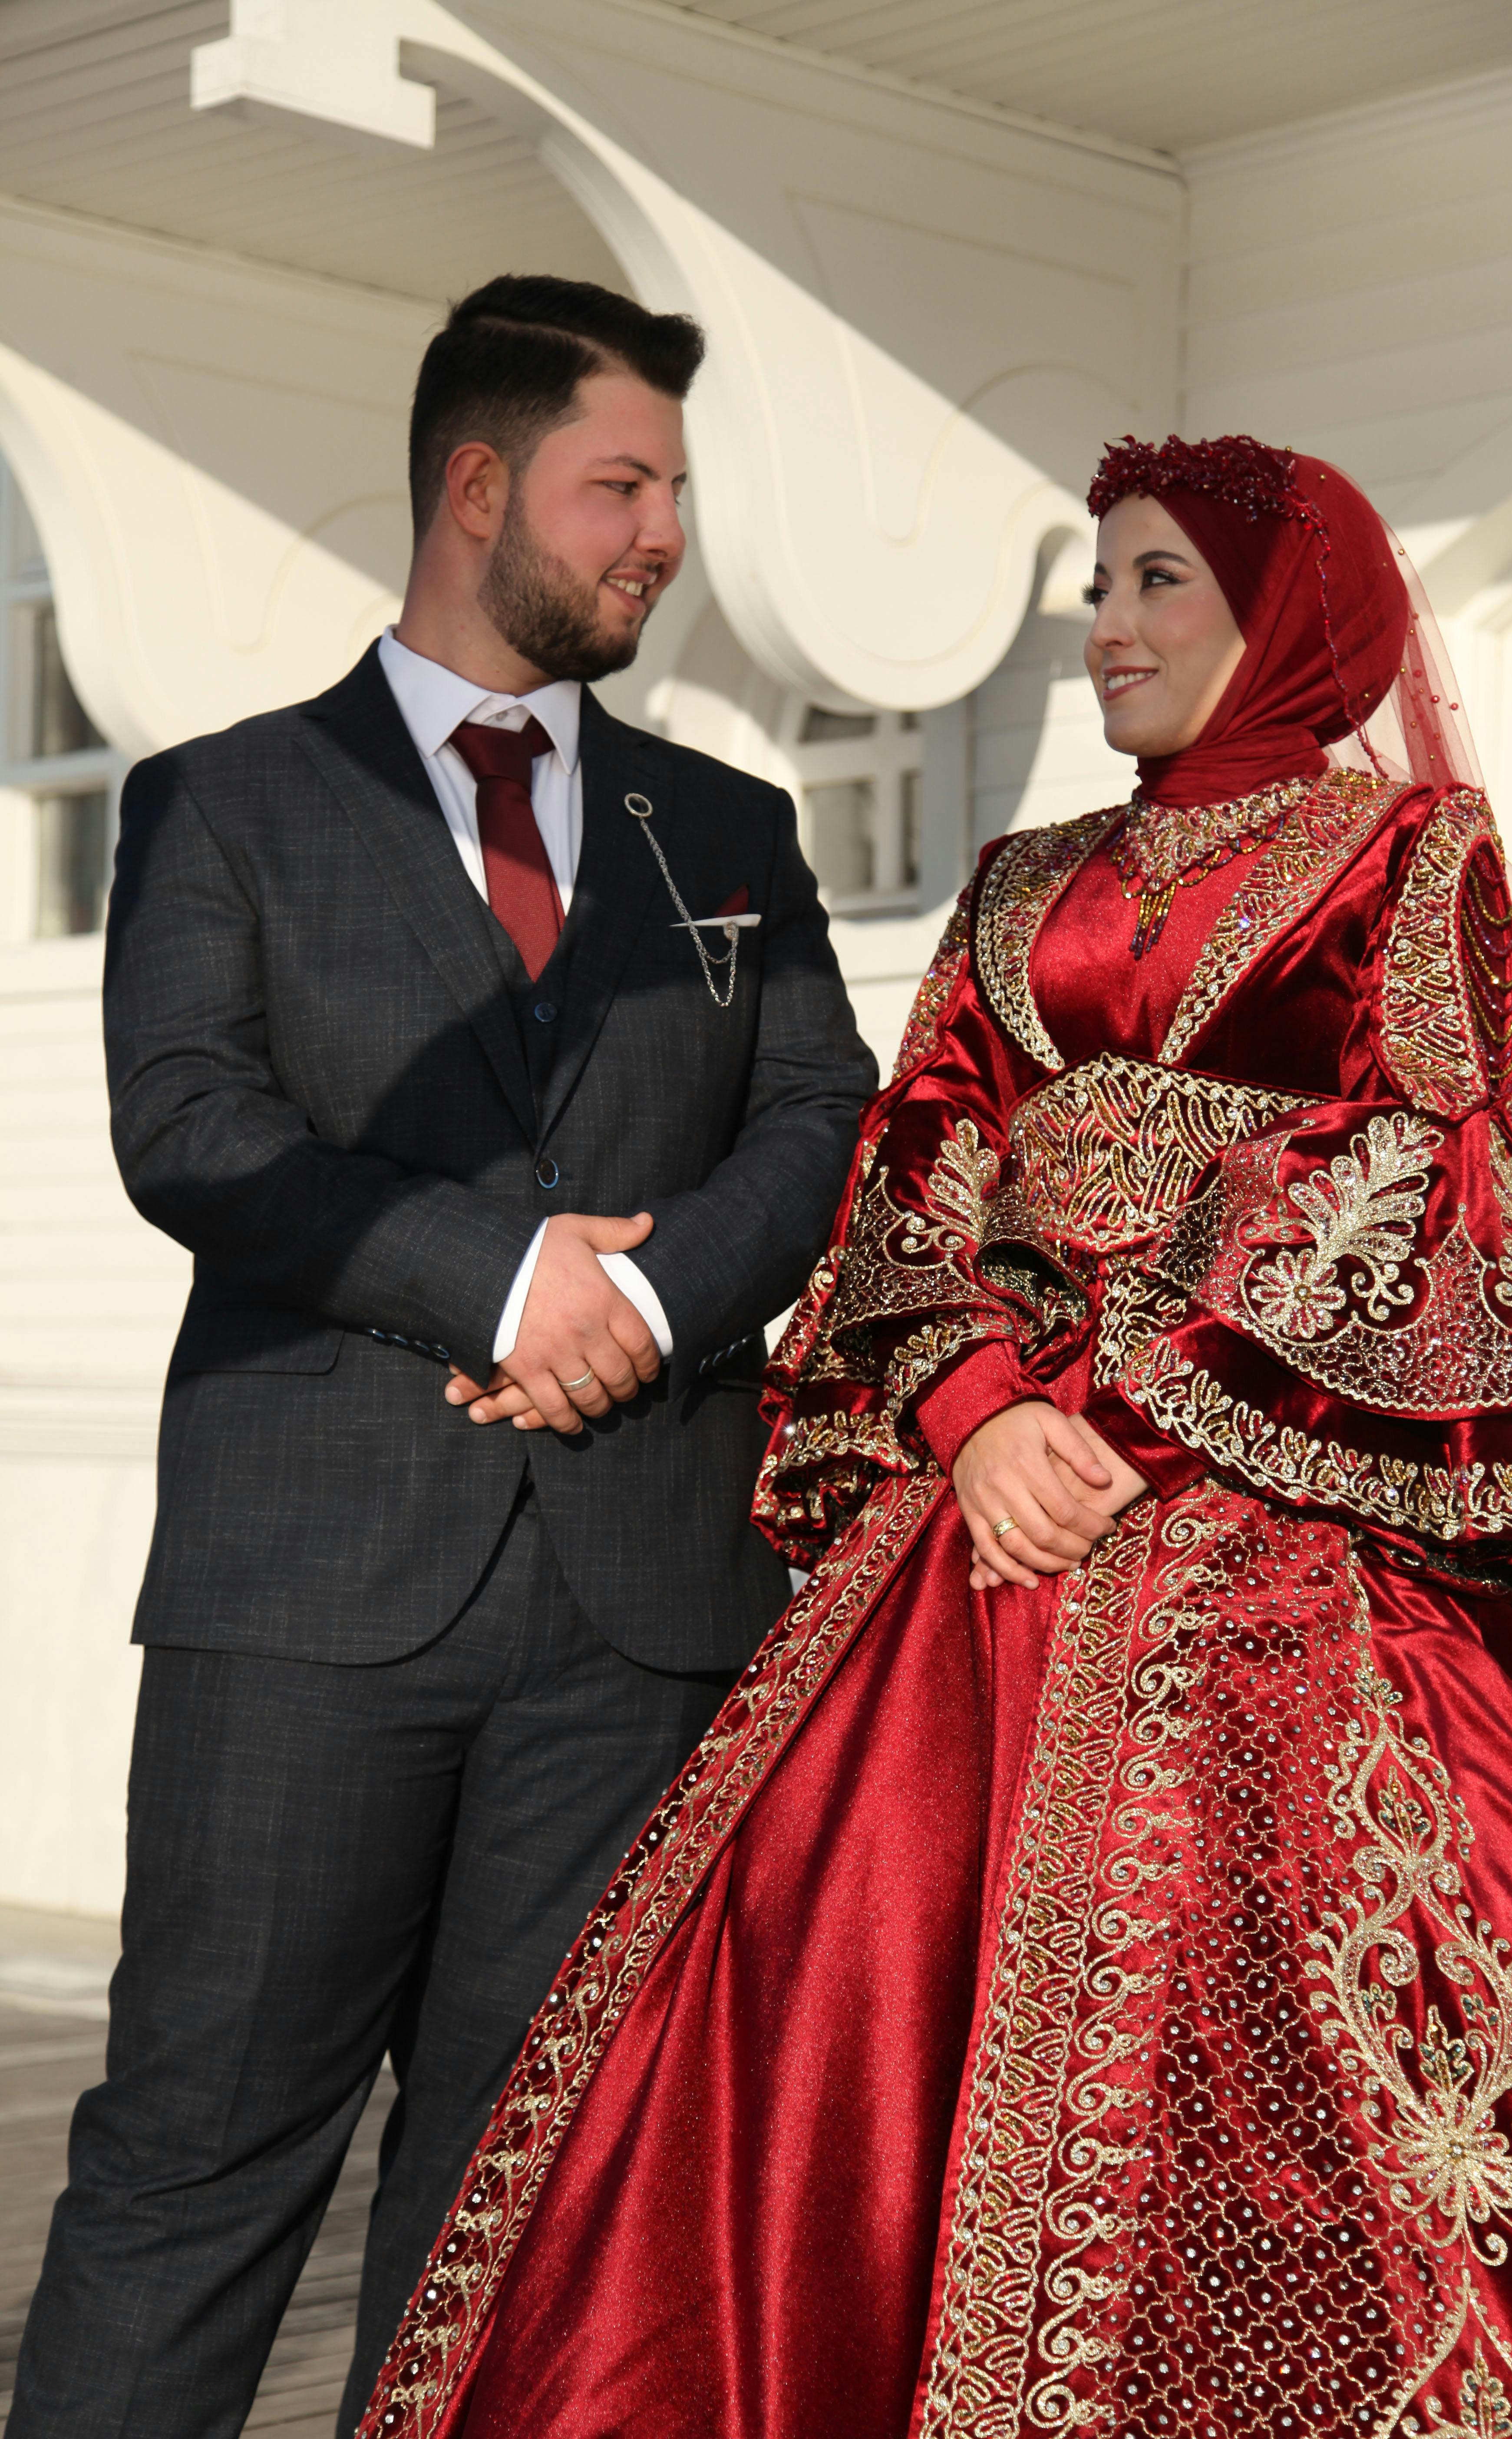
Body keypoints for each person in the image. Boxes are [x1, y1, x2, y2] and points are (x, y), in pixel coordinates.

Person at [358, 434, 1512, 2439]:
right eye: (1097, 586)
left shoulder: (1407, 864)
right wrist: (967, 1408)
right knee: (830, 2010)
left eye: (1156, 588)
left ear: (1288, 615)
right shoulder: (1021, 882)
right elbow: (915, 1169)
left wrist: (1110, 1409)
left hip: (1274, 1542)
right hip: (978, 1532)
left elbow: (1412, 1178)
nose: (1103, 627)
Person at [9, 274, 876, 2438]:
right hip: (310, 1606)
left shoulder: (731, 833)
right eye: (625, 483)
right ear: (477, 487)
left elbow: (823, 1123)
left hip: (641, 1617)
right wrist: (512, 1288)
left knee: (538, 2193)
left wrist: (650, 1300)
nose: (667, 531)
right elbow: (192, 1129)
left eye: (675, 486)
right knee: (196, 2169)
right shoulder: (225, 801)